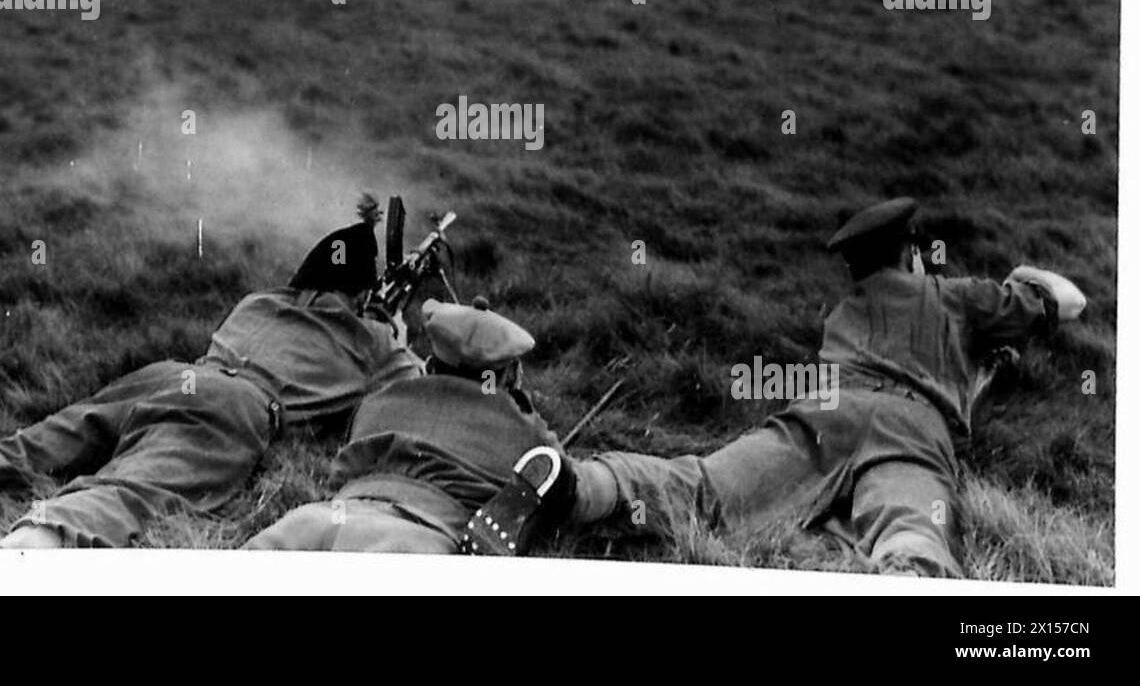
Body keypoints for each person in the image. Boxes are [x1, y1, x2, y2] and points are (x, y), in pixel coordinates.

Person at [561, 197, 1086, 577]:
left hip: (823, 413)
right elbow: (1070, 301)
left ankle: (582, 484)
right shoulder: (953, 294)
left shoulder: (843, 315)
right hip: (909, 431)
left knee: (707, 486)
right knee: (909, 524)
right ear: (911, 254)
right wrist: (1025, 278)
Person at [0, 214, 423, 547]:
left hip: (169, 377)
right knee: (133, 489)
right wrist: (392, 334)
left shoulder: (257, 302)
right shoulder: (371, 340)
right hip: (234, 406)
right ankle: (31, 547)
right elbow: (412, 391)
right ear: (360, 298)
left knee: (19, 450)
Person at [243, 297, 567, 554]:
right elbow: (573, 487)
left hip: (317, 518)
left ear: (430, 364)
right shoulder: (525, 429)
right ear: (510, 375)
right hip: (414, 537)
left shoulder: (376, 402)